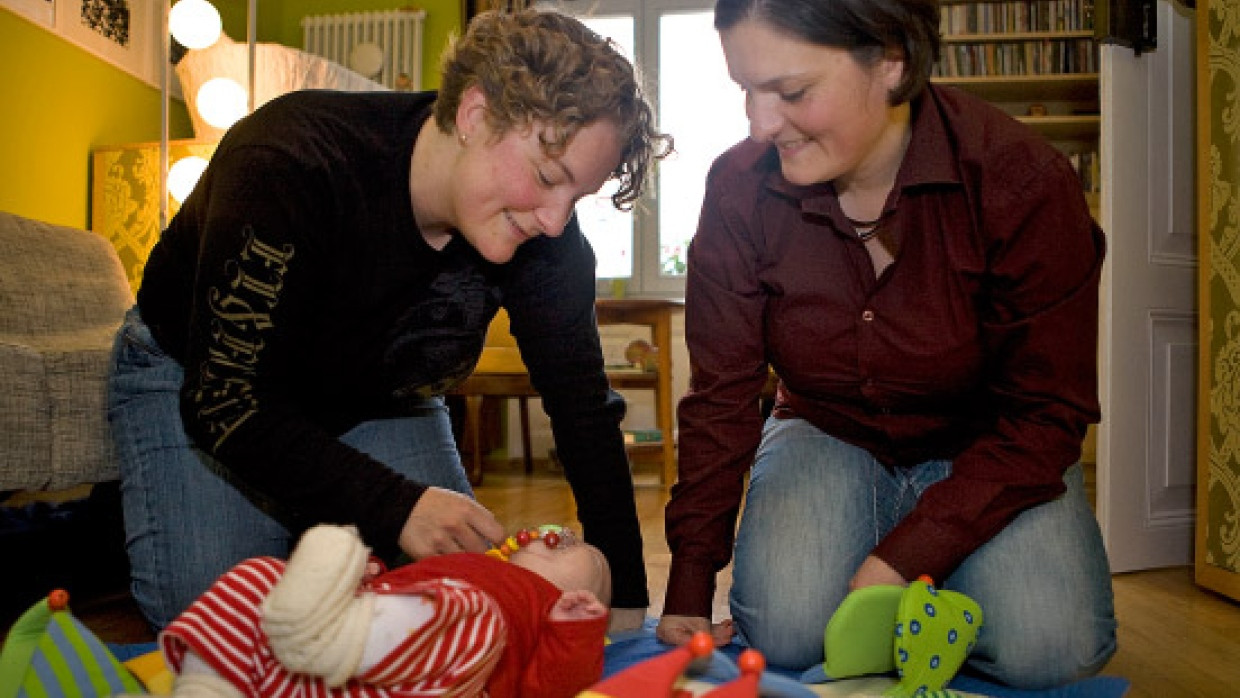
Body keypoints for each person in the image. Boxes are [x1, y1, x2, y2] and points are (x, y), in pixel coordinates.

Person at [108, 7, 670, 636]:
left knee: (466, 606)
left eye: (578, 198)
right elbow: (226, 400)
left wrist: (625, 610)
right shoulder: (289, 161)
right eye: (547, 178)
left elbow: (584, 411)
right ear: (475, 114)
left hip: (379, 394)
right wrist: (393, 504)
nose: (557, 221)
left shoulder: (548, 239)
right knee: (229, 627)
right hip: (206, 381)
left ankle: (309, 527)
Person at [657, 0, 1116, 689]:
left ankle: (924, 549)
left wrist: (906, 557)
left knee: (1050, 649)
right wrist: (689, 586)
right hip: (826, 425)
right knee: (784, 631)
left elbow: (1048, 413)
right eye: (744, 91)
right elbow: (720, 395)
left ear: (892, 61)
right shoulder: (737, 188)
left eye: (791, 92)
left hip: (989, 445)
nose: (759, 123)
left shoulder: (1023, 180)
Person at [159, 523, 611, 697]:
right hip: (307, 677)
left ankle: (329, 635)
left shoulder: (539, 611)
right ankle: (206, 688)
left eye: (573, 545)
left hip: (423, 685)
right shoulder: (471, 567)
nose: (550, 534)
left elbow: (552, 689)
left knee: (477, 615)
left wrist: (577, 633)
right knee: (260, 576)